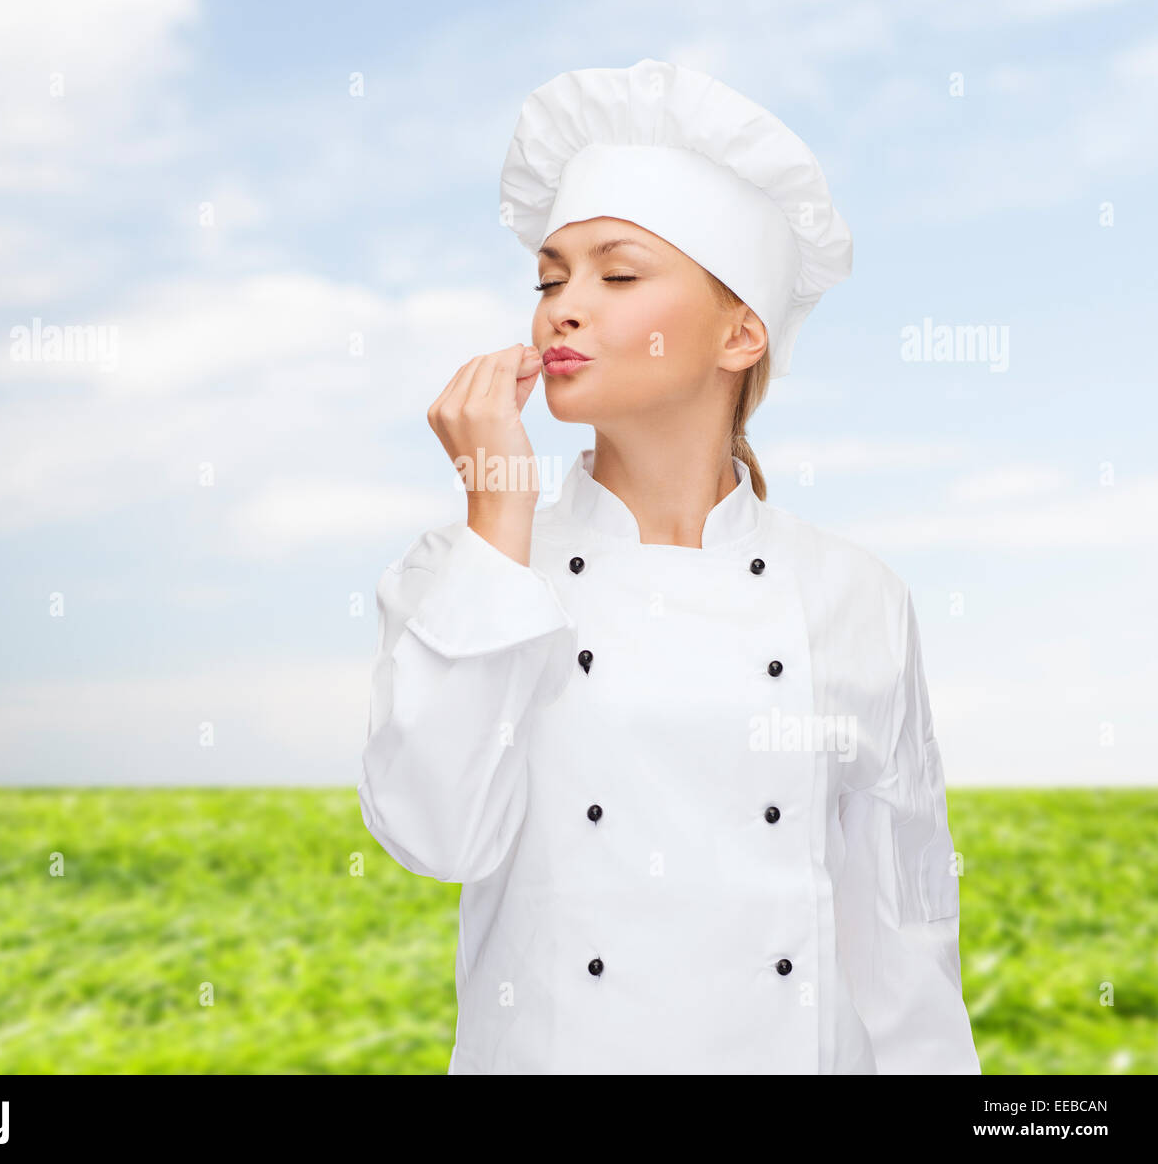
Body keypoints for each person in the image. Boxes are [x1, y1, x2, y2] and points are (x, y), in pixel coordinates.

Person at [358, 58, 981, 1075]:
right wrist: (496, 512)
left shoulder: (857, 595)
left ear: (741, 333)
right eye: (550, 277)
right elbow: (436, 835)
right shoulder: (470, 566)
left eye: (617, 271)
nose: (561, 307)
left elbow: (904, 938)